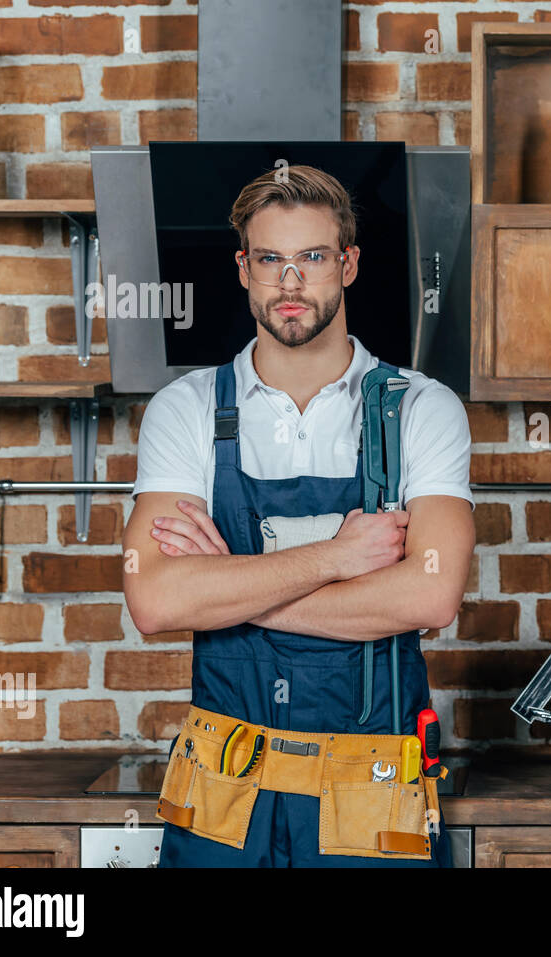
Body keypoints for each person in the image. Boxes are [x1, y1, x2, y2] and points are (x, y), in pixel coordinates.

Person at [122, 164, 474, 867]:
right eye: (270, 260)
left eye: (311, 257)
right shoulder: (185, 409)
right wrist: (334, 560)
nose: (290, 282)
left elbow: (429, 595)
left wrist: (224, 585)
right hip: (223, 794)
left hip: (369, 800)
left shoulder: (420, 409)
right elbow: (156, 599)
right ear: (244, 269)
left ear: (346, 264)